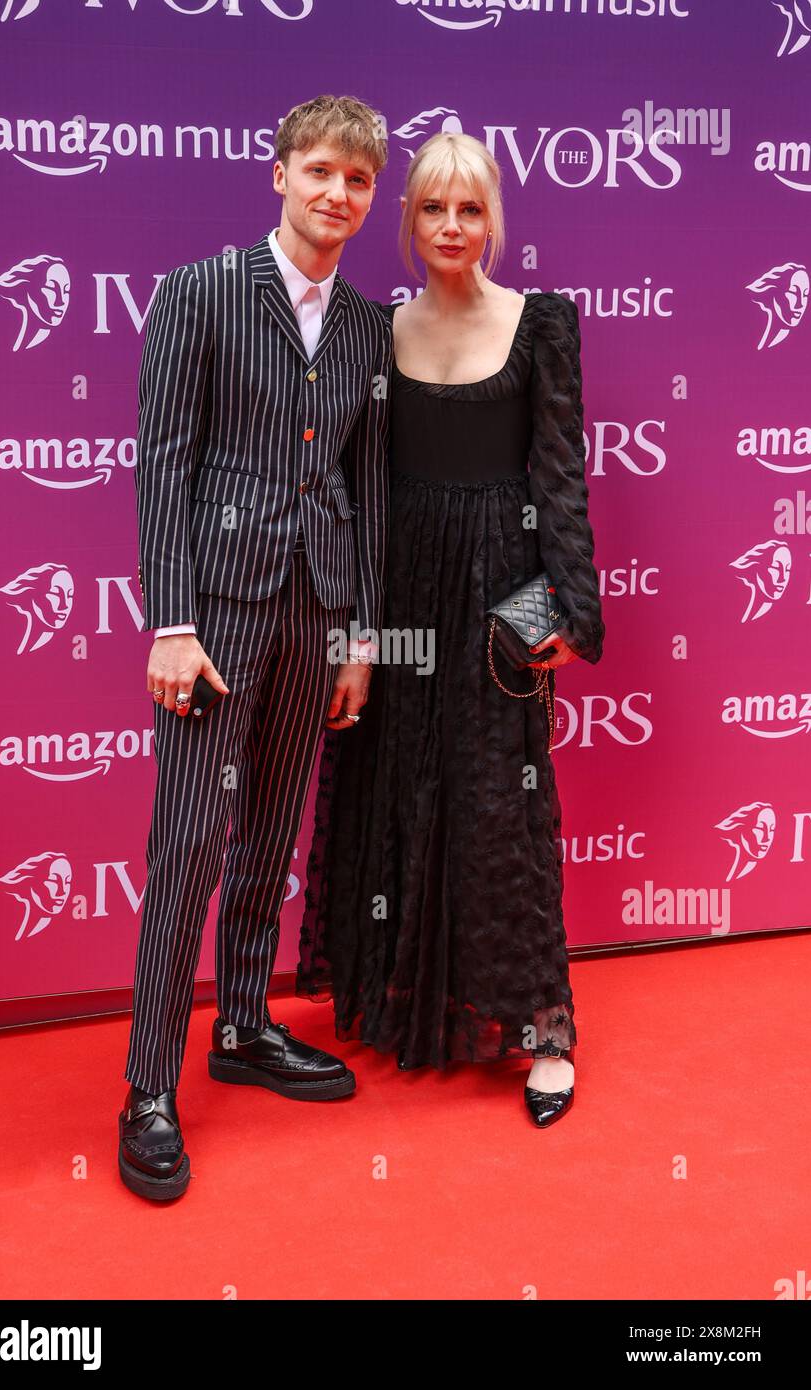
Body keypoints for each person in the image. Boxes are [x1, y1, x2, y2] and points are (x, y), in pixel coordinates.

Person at [297, 131, 605, 1128]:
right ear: (409, 220)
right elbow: (354, 487)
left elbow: (558, 476)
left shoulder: (539, 322)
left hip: (499, 590)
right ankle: (406, 1000)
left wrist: (565, 608)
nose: (451, 226)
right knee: (394, 789)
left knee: (502, 809)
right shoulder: (374, 331)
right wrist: (354, 629)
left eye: (469, 209)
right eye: (433, 208)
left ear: (493, 220)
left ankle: (543, 1033)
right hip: (399, 591)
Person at [120, 95, 392, 1200]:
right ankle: (148, 1086)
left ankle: (241, 1025)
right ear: (279, 174)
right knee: (188, 843)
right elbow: (162, 463)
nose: (337, 193)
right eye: (320, 171)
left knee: (270, 830)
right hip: (215, 621)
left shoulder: (370, 325)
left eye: (358, 180)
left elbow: (369, 490)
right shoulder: (200, 291)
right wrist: (172, 623)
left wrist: (362, 635)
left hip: (316, 613)